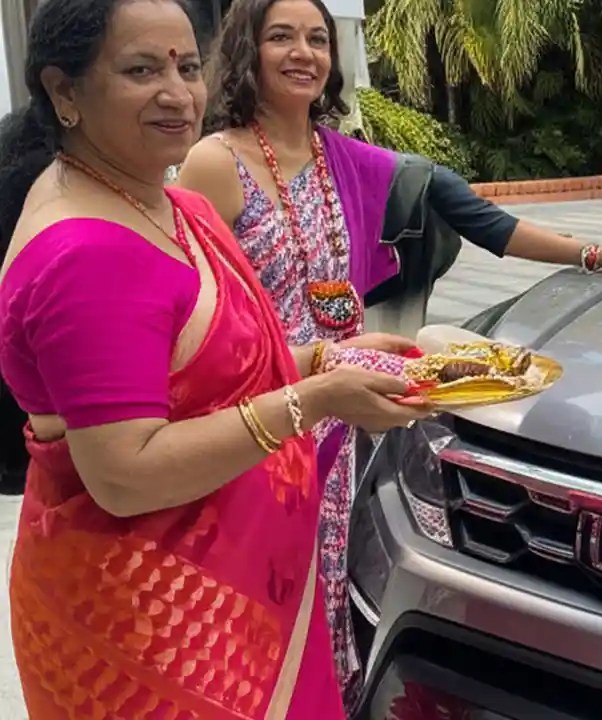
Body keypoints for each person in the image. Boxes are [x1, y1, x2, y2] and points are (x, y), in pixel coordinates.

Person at [177, 0, 602, 705]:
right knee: (256, 603)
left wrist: (595, 254)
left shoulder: (350, 160)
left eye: (318, 38)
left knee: (331, 592)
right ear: (245, 50)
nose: (303, 53)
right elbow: (189, 316)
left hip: (340, 427)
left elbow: (484, 221)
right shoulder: (212, 163)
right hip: (261, 416)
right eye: (280, 36)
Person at [0, 0, 436, 716]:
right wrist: (316, 400)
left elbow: (214, 375)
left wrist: (326, 356)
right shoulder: (84, 255)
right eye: (141, 70)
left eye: (187, 66)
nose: (177, 93)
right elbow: (125, 473)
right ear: (63, 91)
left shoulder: (170, 206)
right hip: (152, 626)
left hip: (243, 591)